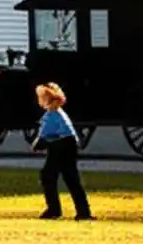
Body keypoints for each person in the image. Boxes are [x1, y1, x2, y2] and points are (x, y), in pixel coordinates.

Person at [33, 83, 94, 221]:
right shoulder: (58, 113)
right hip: (68, 145)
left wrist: (37, 144)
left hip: (60, 145)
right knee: (71, 178)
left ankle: (54, 209)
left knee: (48, 176)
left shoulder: (52, 114)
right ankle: (83, 211)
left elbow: (43, 136)